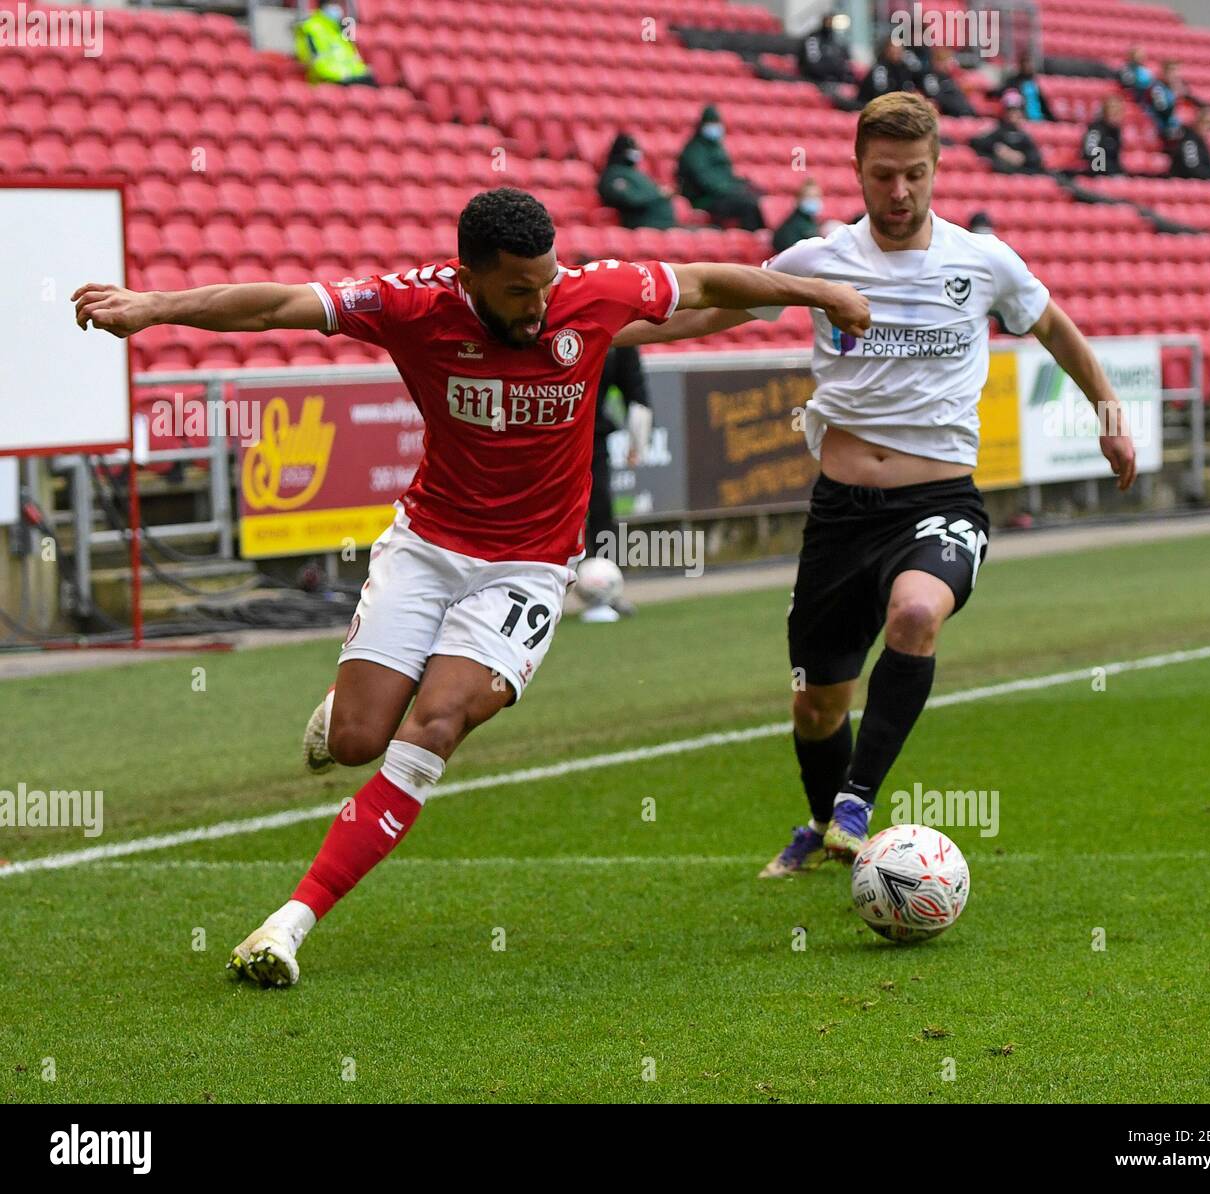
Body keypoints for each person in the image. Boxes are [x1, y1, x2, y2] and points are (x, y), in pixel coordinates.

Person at [73, 188, 870, 986]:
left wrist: (823, 293)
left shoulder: (590, 295)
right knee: (355, 742)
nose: (539, 304)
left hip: (528, 568)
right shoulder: (413, 305)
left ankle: (289, 923)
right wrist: (153, 307)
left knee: (439, 723)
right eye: (519, 290)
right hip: (425, 547)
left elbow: (705, 284)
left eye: (547, 282)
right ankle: (358, 697)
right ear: (471, 276)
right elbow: (281, 302)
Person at [614, 92, 1135, 878]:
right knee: (818, 704)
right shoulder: (821, 260)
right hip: (840, 514)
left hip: (939, 503)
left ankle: (857, 802)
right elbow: (717, 307)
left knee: (918, 611)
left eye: (915, 176)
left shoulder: (981, 260)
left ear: (936, 172)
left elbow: (1055, 327)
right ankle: (824, 823)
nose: (900, 193)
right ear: (857, 170)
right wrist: (598, 334)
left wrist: (1109, 412)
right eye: (884, 175)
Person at [587, 343, 652, 620]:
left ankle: (607, 592)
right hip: (544, 434)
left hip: (592, 438)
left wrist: (638, 440)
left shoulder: (620, 334)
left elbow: (635, 389)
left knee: (601, 508)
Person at [677, 105, 765, 231]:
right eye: (711, 123)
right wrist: (731, 189)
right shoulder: (693, 151)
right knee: (748, 204)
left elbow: (727, 174)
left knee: (757, 194)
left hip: (725, 193)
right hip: (705, 199)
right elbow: (705, 181)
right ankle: (750, 236)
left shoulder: (717, 148)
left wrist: (739, 184)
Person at [598, 132, 676, 230]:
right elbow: (631, 199)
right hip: (644, 225)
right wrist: (658, 194)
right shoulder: (613, 175)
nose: (637, 152)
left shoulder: (636, 173)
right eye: (632, 149)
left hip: (665, 225)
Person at [294, 2, 375, 86]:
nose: (338, 9)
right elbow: (311, 61)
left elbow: (349, 59)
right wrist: (342, 75)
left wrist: (362, 71)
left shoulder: (338, 28)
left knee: (371, 82)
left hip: (346, 76)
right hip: (328, 80)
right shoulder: (309, 28)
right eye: (334, 3)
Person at [970, 92, 1043, 174]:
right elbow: (976, 142)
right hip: (1000, 173)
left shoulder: (1024, 135)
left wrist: (1022, 158)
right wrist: (998, 149)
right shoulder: (997, 130)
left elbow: (1035, 158)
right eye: (1011, 111)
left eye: (1017, 111)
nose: (1014, 115)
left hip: (1021, 173)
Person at [1168, 109, 1210, 180]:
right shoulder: (1189, 141)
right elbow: (1192, 168)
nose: (1209, 130)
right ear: (1199, 123)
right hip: (1186, 182)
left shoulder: (1200, 141)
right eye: (1207, 125)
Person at [917, 46, 974, 117]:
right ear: (937, 62)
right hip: (946, 113)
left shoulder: (947, 76)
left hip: (959, 111)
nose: (948, 65)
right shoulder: (931, 76)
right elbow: (935, 96)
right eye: (945, 62)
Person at [857, 38, 917, 106]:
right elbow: (881, 97)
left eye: (900, 48)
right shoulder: (880, 69)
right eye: (894, 48)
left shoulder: (905, 68)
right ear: (887, 49)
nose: (897, 51)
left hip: (894, 106)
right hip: (869, 106)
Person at [997, 52, 1054, 121]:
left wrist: (1051, 118)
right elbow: (1003, 92)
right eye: (1026, 64)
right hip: (1024, 118)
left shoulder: (1034, 82)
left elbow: (1042, 102)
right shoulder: (1013, 81)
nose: (1028, 67)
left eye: (1030, 64)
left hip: (1039, 118)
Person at [772, 180, 823, 253]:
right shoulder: (790, 226)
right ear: (798, 199)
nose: (814, 200)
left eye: (816, 196)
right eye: (809, 196)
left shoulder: (813, 222)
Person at [1081, 96, 1125, 176]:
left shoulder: (1116, 131)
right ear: (1105, 112)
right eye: (1113, 112)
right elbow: (1090, 153)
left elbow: (1115, 157)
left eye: (1118, 112)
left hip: (1112, 173)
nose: (1116, 116)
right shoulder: (1096, 130)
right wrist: (1109, 173)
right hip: (1096, 174)